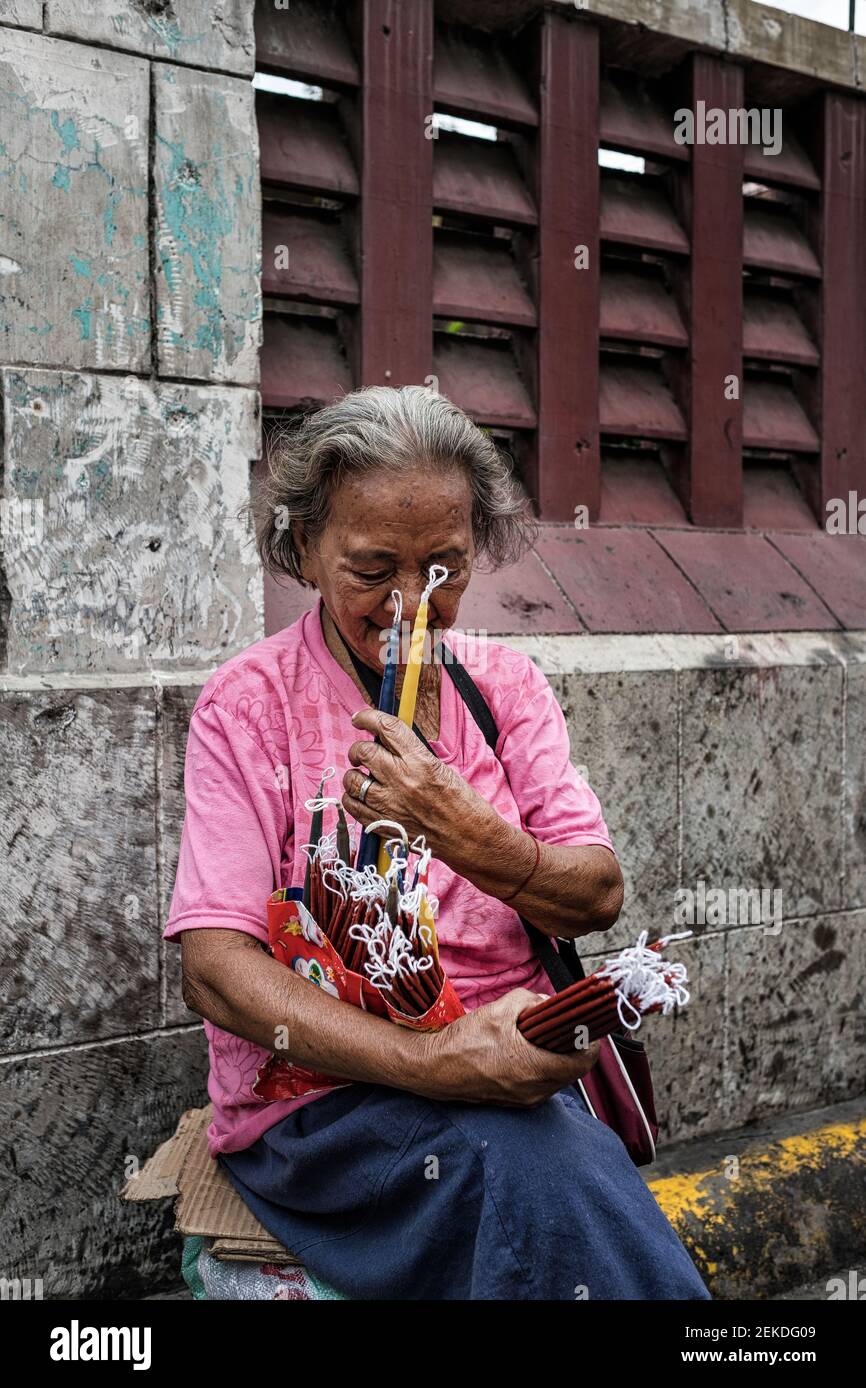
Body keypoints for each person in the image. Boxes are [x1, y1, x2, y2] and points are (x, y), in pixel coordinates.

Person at [165, 385, 710, 1301]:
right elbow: (215, 969)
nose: (411, 606)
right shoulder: (248, 706)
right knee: (539, 1176)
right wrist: (432, 1063)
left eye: (444, 569)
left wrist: (460, 830)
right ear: (303, 547)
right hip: (325, 1103)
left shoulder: (506, 689)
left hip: (513, 1074)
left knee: (544, 1169)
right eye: (374, 568)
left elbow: (595, 894)